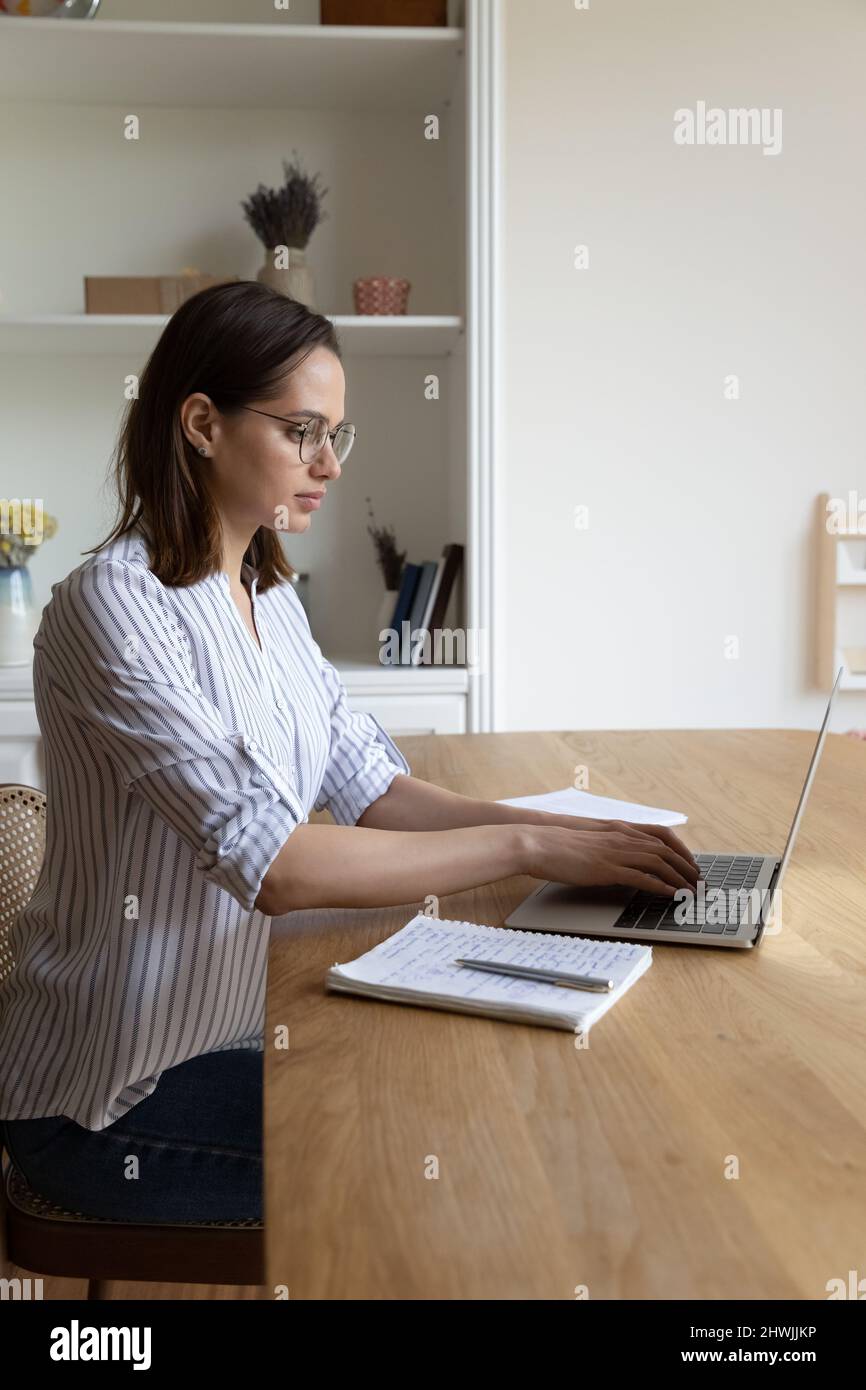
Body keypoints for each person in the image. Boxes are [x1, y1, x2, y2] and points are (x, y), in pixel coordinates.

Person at [0, 282, 699, 1224]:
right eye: (302, 431)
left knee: (485, 1092)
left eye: (339, 434)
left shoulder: (270, 597)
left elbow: (373, 789)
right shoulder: (112, 605)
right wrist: (530, 851)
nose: (328, 462)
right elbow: (276, 865)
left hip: (241, 1023)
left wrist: (559, 827)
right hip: (112, 1095)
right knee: (452, 1159)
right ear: (202, 423)